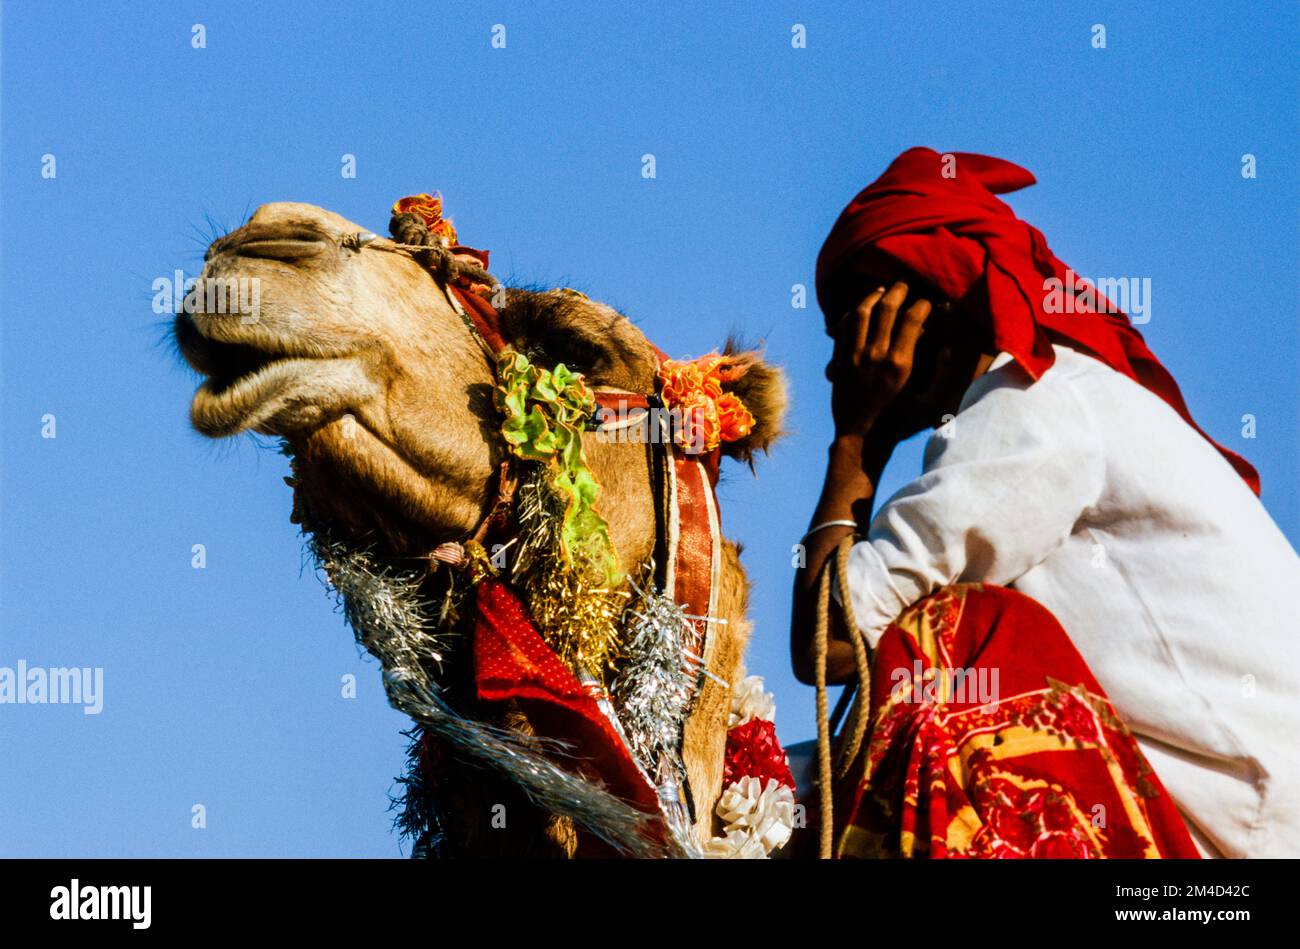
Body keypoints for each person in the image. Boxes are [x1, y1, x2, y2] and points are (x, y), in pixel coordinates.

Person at [790, 147, 1300, 859]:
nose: (840, 362)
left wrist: (856, 436)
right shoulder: (1063, 398)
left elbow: (833, 645)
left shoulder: (1033, 405)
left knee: (956, 638)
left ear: (922, 303)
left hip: (1238, 843)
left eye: (856, 323)